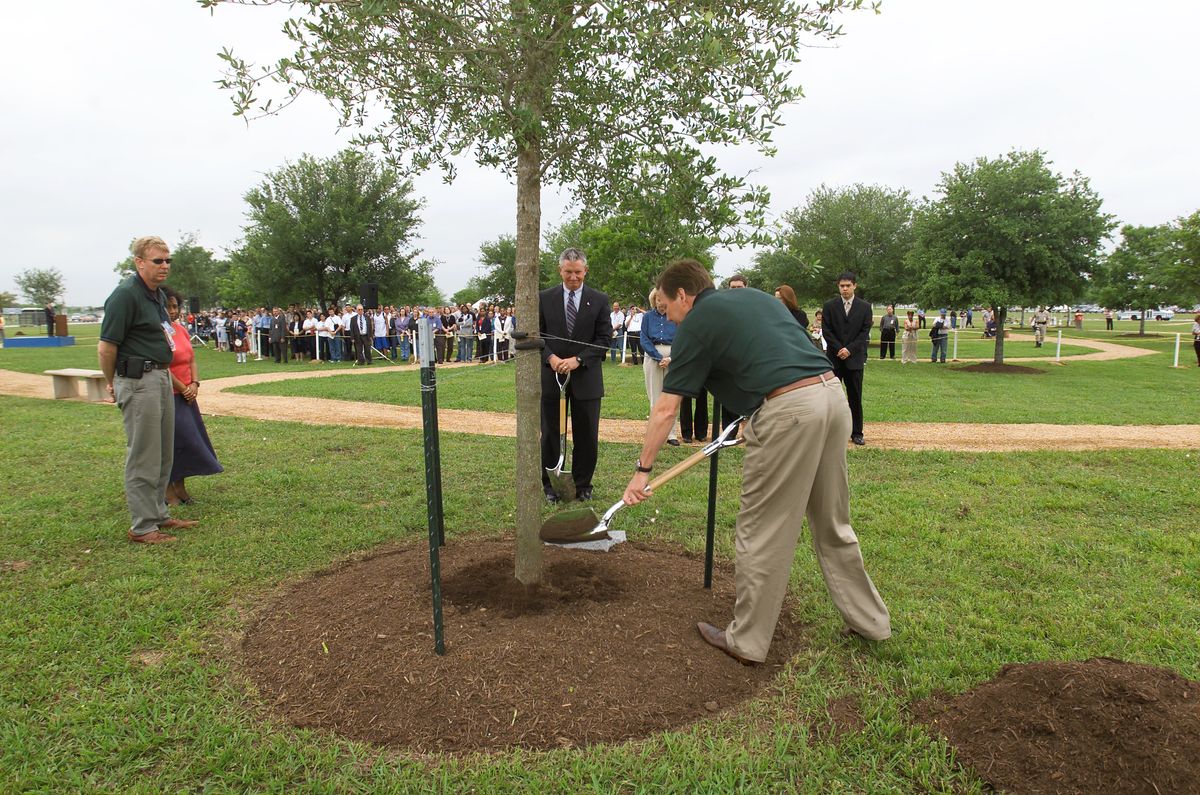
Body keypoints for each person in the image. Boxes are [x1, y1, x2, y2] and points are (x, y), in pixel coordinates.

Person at [623, 259, 890, 663]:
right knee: (833, 520)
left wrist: (642, 472)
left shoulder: (696, 321)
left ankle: (746, 640)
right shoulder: (755, 297)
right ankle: (871, 622)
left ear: (683, 295)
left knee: (762, 529)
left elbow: (666, 409)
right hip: (832, 398)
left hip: (788, 411)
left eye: (666, 306)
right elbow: (769, 353)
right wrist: (754, 411)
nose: (667, 315)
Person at [97, 236, 199, 544]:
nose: (165, 265)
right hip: (137, 380)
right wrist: (112, 382)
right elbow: (106, 347)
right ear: (139, 262)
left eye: (168, 260)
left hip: (160, 377)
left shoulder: (155, 295)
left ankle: (159, 514)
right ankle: (142, 526)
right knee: (143, 454)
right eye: (158, 260)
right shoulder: (125, 295)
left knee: (162, 452)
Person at [539, 247, 612, 503]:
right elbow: (537, 335)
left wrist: (578, 360)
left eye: (578, 272)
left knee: (587, 435)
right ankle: (551, 486)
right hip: (552, 377)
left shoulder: (600, 300)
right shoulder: (544, 298)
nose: (573, 277)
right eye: (568, 272)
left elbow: (604, 339)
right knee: (550, 434)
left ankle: (582, 485)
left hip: (586, 379)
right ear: (560, 270)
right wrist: (552, 358)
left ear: (585, 271)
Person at [162, 288, 223, 506]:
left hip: (186, 396)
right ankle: (167, 491)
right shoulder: (157, 332)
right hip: (168, 395)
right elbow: (161, 366)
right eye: (168, 306)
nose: (172, 311)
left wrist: (194, 383)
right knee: (169, 444)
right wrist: (182, 387)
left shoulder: (180, 329)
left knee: (186, 442)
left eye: (175, 306)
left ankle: (181, 487)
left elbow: (191, 359)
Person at [821, 272, 872, 446]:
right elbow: (827, 331)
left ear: (855, 286)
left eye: (848, 285)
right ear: (838, 287)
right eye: (841, 286)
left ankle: (857, 432)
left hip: (854, 360)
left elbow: (864, 333)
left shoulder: (865, 307)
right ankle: (830, 433)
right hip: (834, 359)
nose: (844, 289)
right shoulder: (829, 306)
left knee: (855, 397)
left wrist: (849, 350)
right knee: (831, 399)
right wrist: (839, 349)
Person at [641, 288, 681, 447]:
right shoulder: (647, 317)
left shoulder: (676, 316)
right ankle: (655, 432)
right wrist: (658, 357)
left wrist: (671, 358)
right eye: (658, 299)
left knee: (672, 396)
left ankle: (671, 434)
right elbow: (644, 339)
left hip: (673, 356)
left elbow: (682, 338)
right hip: (653, 356)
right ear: (654, 300)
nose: (661, 303)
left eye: (664, 299)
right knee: (655, 397)